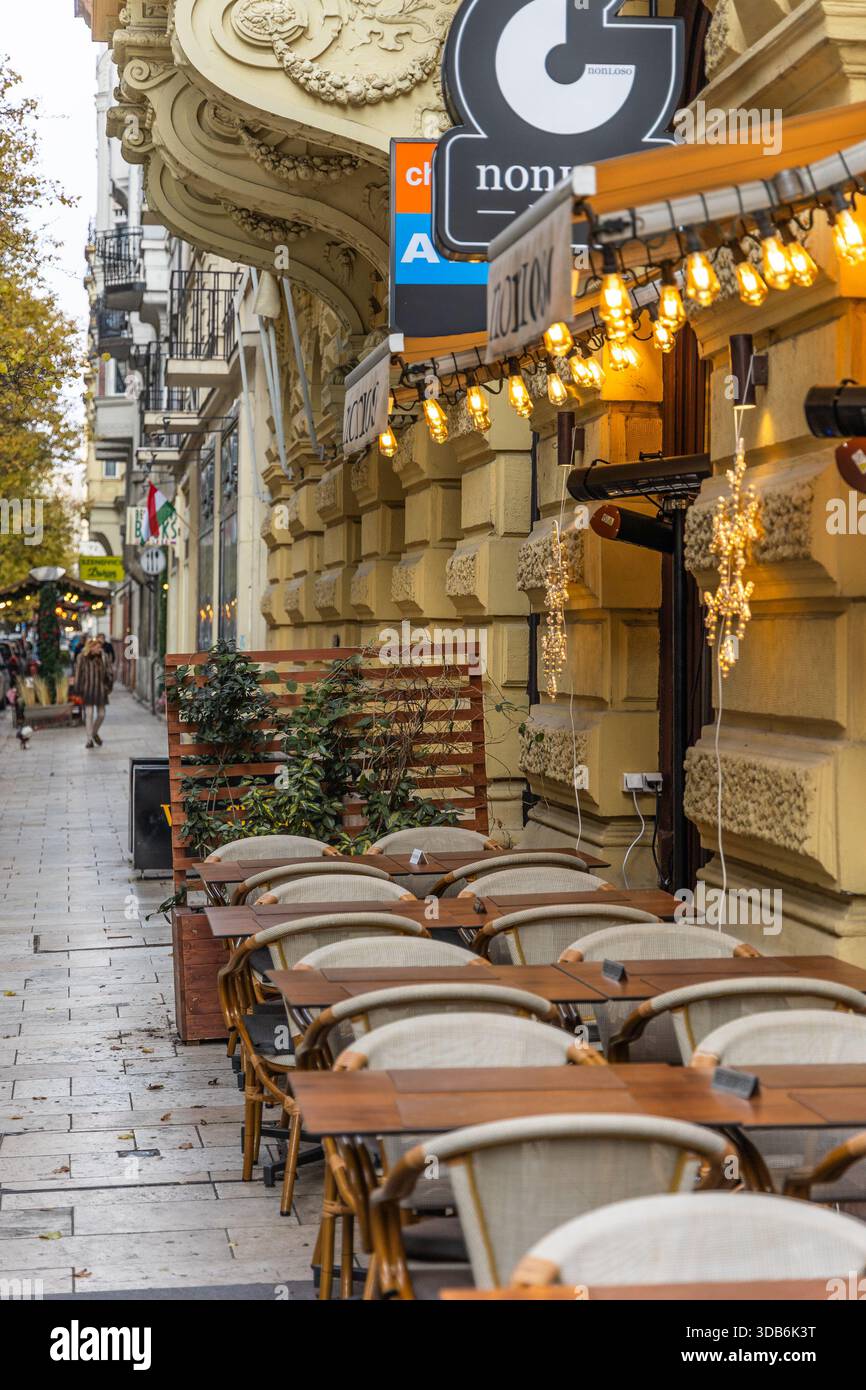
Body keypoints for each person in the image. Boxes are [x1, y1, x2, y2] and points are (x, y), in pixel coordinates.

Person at [73, 637, 114, 748]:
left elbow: (110, 672)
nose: (99, 649)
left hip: (101, 690)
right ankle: (89, 740)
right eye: (97, 647)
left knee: (101, 714)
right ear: (91, 647)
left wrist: (108, 686)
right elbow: (78, 674)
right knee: (89, 714)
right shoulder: (82, 657)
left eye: (100, 647)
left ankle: (94, 732)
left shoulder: (103, 657)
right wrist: (77, 689)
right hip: (88, 690)